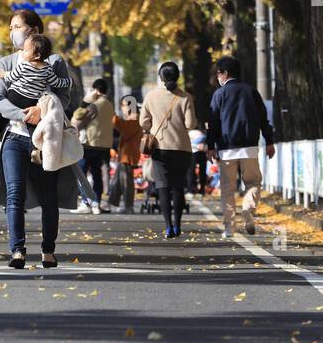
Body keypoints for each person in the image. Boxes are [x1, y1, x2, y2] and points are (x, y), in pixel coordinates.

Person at [0, 9, 77, 269]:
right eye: (11, 27)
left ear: (34, 31)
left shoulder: (54, 61)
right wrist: (22, 113)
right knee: (14, 192)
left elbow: (66, 94)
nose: (13, 32)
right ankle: (17, 250)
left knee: (48, 194)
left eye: (18, 27)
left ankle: (48, 249)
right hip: (14, 135)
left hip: (46, 138)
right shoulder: (6, 63)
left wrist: (43, 110)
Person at [206, 55, 275, 239]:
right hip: (249, 147)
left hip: (226, 149)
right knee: (253, 183)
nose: (217, 77)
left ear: (225, 73)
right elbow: (263, 120)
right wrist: (269, 141)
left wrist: (210, 145)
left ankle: (230, 228)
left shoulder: (218, 95)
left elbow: (213, 123)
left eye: (218, 73)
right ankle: (248, 208)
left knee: (227, 189)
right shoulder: (251, 91)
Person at [139, 61, 197, 239]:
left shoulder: (151, 96)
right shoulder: (185, 97)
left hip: (160, 149)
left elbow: (144, 123)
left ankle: (168, 227)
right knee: (178, 187)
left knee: (163, 188)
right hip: (182, 148)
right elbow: (191, 124)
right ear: (177, 76)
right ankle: (178, 226)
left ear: (161, 77)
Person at [75, 77, 114, 212]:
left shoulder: (93, 106)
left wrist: (85, 102)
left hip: (89, 144)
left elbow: (77, 121)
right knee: (97, 175)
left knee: (82, 174)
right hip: (103, 145)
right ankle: (96, 203)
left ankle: (86, 202)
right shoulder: (109, 105)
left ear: (96, 90)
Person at [109, 95, 141, 213]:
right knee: (118, 180)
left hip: (129, 155)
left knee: (126, 181)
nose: (121, 108)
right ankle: (112, 202)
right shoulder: (132, 119)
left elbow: (124, 130)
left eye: (123, 105)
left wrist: (113, 117)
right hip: (126, 154)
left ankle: (129, 206)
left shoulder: (134, 119)